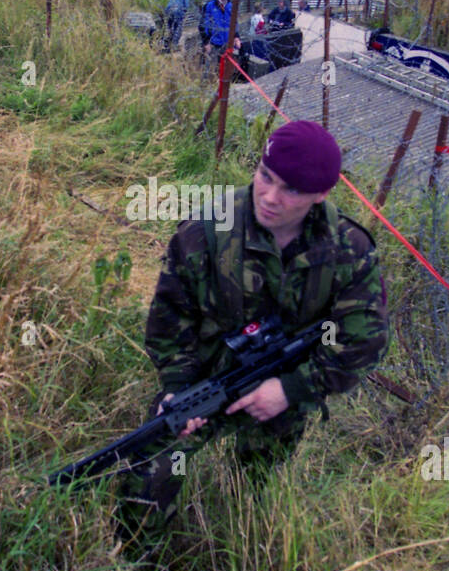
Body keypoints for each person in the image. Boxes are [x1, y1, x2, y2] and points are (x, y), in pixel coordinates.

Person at [116, 120, 390, 545]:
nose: (270, 197)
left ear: (321, 195)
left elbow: (364, 339)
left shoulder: (348, 249)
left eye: (291, 190)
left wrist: (291, 389)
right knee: (152, 465)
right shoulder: (206, 230)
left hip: (283, 391)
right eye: (265, 176)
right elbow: (170, 318)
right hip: (204, 380)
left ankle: (245, 548)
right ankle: (132, 564)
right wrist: (176, 387)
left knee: (257, 485)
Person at [201, 0, 241, 74]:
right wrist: (206, 42)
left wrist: (237, 37)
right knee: (209, 69)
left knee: (224, 70)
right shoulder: (210, 6)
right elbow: (202, 25)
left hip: (227, 43)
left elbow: (234, 23)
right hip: (213, 44)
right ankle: (206, 85)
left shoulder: (231, 6)